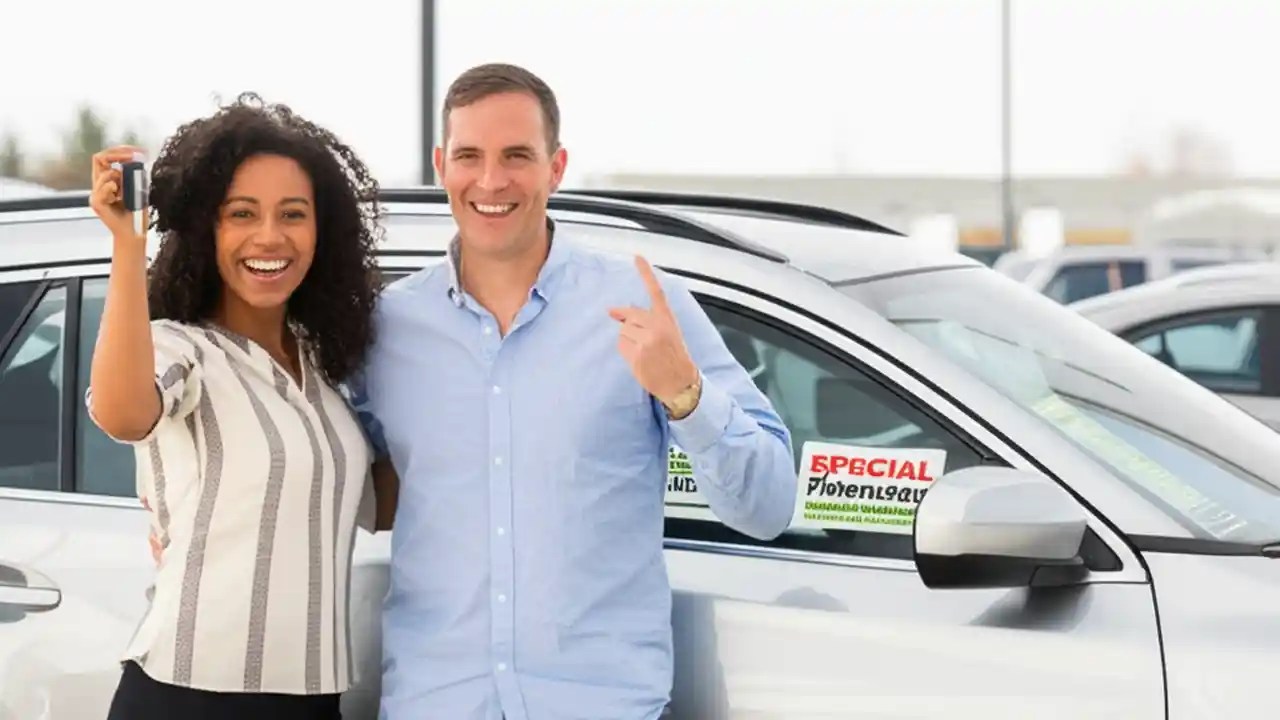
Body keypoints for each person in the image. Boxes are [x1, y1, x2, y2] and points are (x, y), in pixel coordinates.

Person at [351, 63, 797, 720]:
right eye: (470, 156)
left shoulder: (648, 305)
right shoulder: (388, 329)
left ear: (556, 167)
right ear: (442, 164)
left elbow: (769, 506)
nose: (492, 180)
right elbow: (310, 463)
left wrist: (689, 397)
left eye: (517, 156)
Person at [87, 93, 397, 720]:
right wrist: (128, 243)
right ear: (208, 228)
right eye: (242, 213)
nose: (269, 236)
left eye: (293, 214)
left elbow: (380, 507)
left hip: (314, 700)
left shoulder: (324, 365)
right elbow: (121, 413)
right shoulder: (183, 347)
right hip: (190, 696)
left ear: (322, 230)